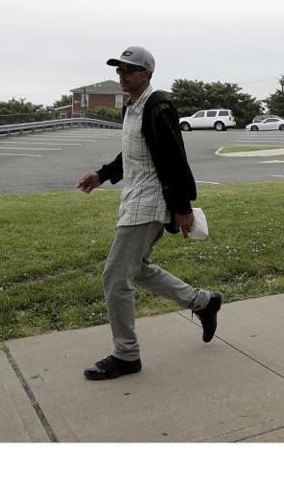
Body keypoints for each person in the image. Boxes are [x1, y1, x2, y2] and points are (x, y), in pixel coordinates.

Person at [76, 45, 222, 381]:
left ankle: (126, 355)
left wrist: (183, 207)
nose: (121, 75)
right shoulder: (132, 107)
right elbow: (132, 152)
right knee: (136, 269)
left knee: (115, 275)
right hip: (135, 197)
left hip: (152, 201)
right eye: (118, 69)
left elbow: (175, 158)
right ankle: (203, 302)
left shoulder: (158, 106)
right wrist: (102, 175)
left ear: (147, 73)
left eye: (128, 69)